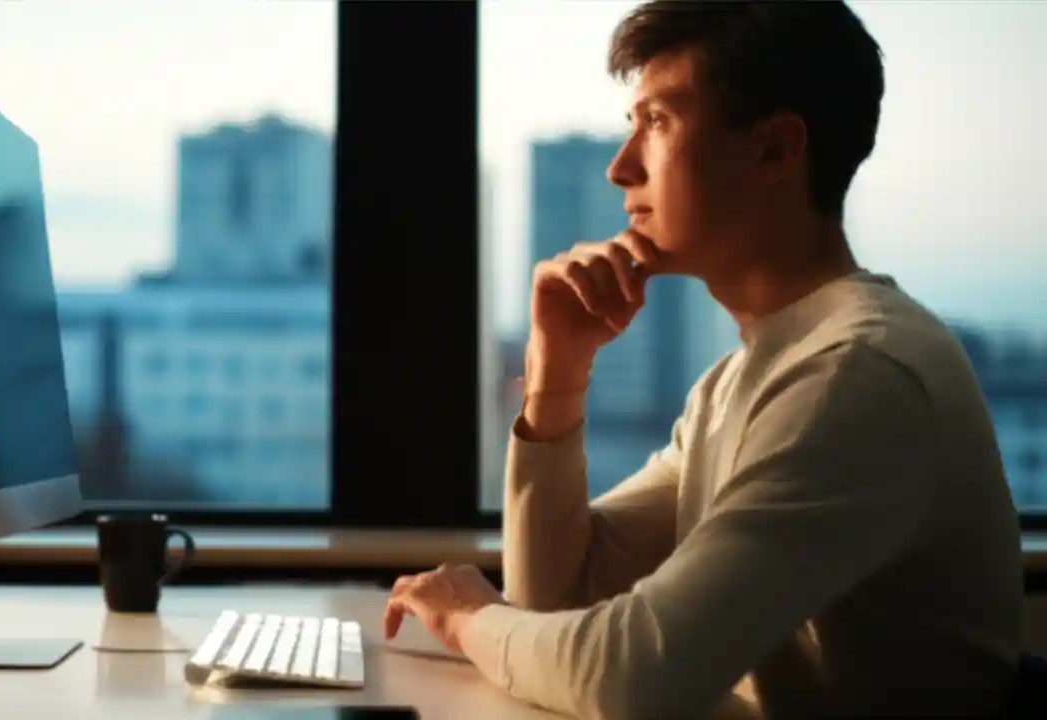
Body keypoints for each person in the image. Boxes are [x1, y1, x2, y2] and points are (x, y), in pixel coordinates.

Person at [382, 1, 1026, 717]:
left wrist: (467, 617)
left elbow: (629, 675)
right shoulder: (744, 378)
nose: (620, 168)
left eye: (657, 122)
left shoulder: (857, 373)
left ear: (776, 149)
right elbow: (558, 595)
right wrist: (556, 369)